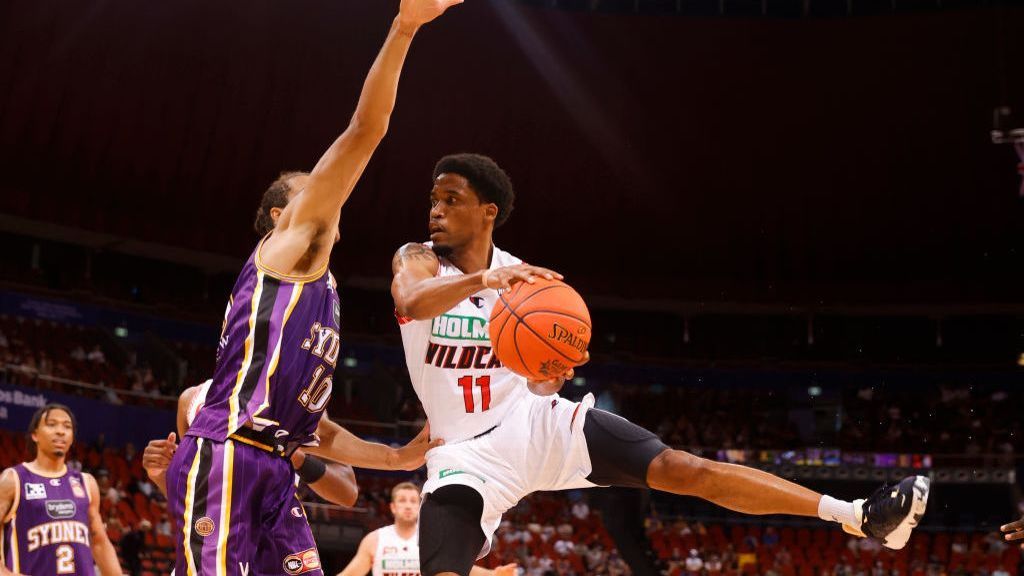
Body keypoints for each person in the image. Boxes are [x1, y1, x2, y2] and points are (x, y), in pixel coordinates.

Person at [389, 153, 932, 576]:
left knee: (683, 469)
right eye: (433, 199)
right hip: (464, 455)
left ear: (488, 211)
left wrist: (547, 373)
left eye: (451, 199)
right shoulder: (419, 258)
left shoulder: (525, 280)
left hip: (536, 424)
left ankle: (859, 514)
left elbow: (538, 373)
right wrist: (484, 281)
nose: (434, 209)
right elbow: (413, 302)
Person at [164, 0, 460, 571]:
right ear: (281, 214)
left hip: (273, 463)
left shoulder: (318, 289)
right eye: (311, 188)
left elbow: (314, 428)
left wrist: (397, 458)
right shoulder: (288, 248)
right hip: (228, 453)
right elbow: (365, 131)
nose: (326, 191)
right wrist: (404, 28)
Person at [0, 404, 122, 575]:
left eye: (67, 426)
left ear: (72, 438)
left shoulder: (86, 483)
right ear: (35, 435)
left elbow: (99, 543)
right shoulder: (13, 480)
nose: (60, 431)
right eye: (51, 424)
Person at [338, 482, 516, 576]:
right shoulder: (375, 539)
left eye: (413, 501)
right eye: (402, 500)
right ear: (392, 507)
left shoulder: (433, 534)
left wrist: (492, 574)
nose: (408, 506)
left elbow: (453, 569)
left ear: (420, 506)